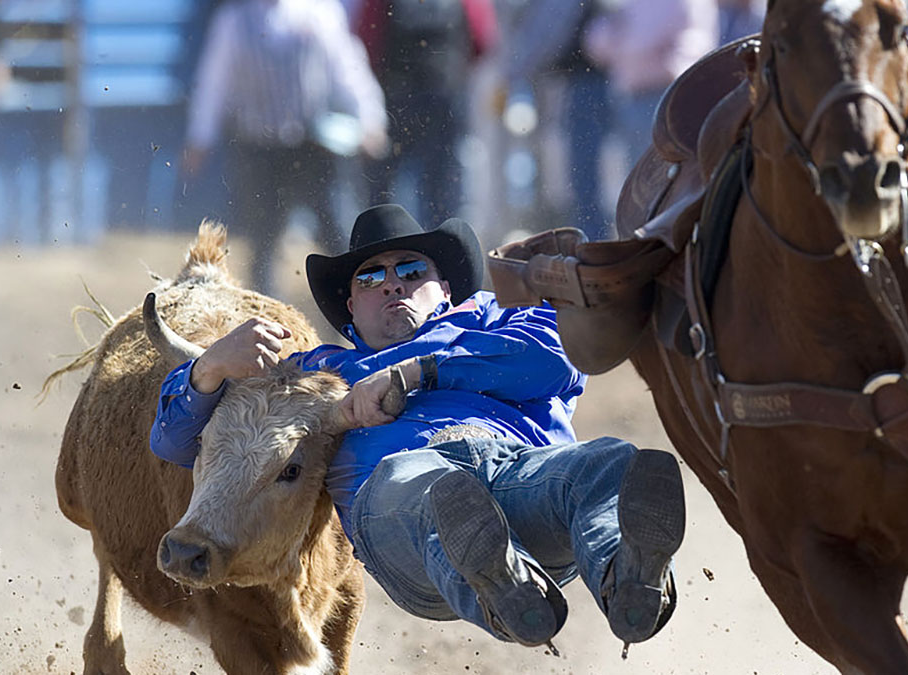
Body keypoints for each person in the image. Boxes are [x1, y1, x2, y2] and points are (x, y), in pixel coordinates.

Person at [149, 203, 686, 650]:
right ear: (351, 309)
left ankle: (627, 581)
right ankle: (500, 590)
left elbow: (557, 360)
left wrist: (421, 372)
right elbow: (175, 441)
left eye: (410, 271)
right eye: (371, 278)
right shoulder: (319, 371)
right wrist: (208, 368)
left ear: (446, 288)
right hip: (401, 512)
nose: (392, 285)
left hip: (522, 472)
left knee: (607, 462)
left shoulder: (502, 316)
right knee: (432, 488)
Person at [182, 0, 388, 297]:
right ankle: (268, 323)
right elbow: (214, 83)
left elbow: (347, 69)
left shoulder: (319, 12)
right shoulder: (234, 20)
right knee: (263, 243)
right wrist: (200, 138)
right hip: (259, 149)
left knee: (340, 236)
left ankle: (356, 316)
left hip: (313, 148)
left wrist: (370, 119)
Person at [355, 0, 495, 227]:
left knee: (388, 187)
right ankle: (441, 249)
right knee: (442, 189)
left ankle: (389, 243)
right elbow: (482, 40)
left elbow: (366, 38)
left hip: (399, 98)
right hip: (443, 95)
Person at [499, 0, 614, 242]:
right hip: (598, 82)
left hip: (586, 84)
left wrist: (514, 71)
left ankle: (590, 245)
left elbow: (550, 31)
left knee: (583, 176)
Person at [583, 0, 718, 169]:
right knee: (632, 171)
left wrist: (668, 66)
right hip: (628, 98)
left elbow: (694, 42)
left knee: (664, 171)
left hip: (668, 98)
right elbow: (597, 42)